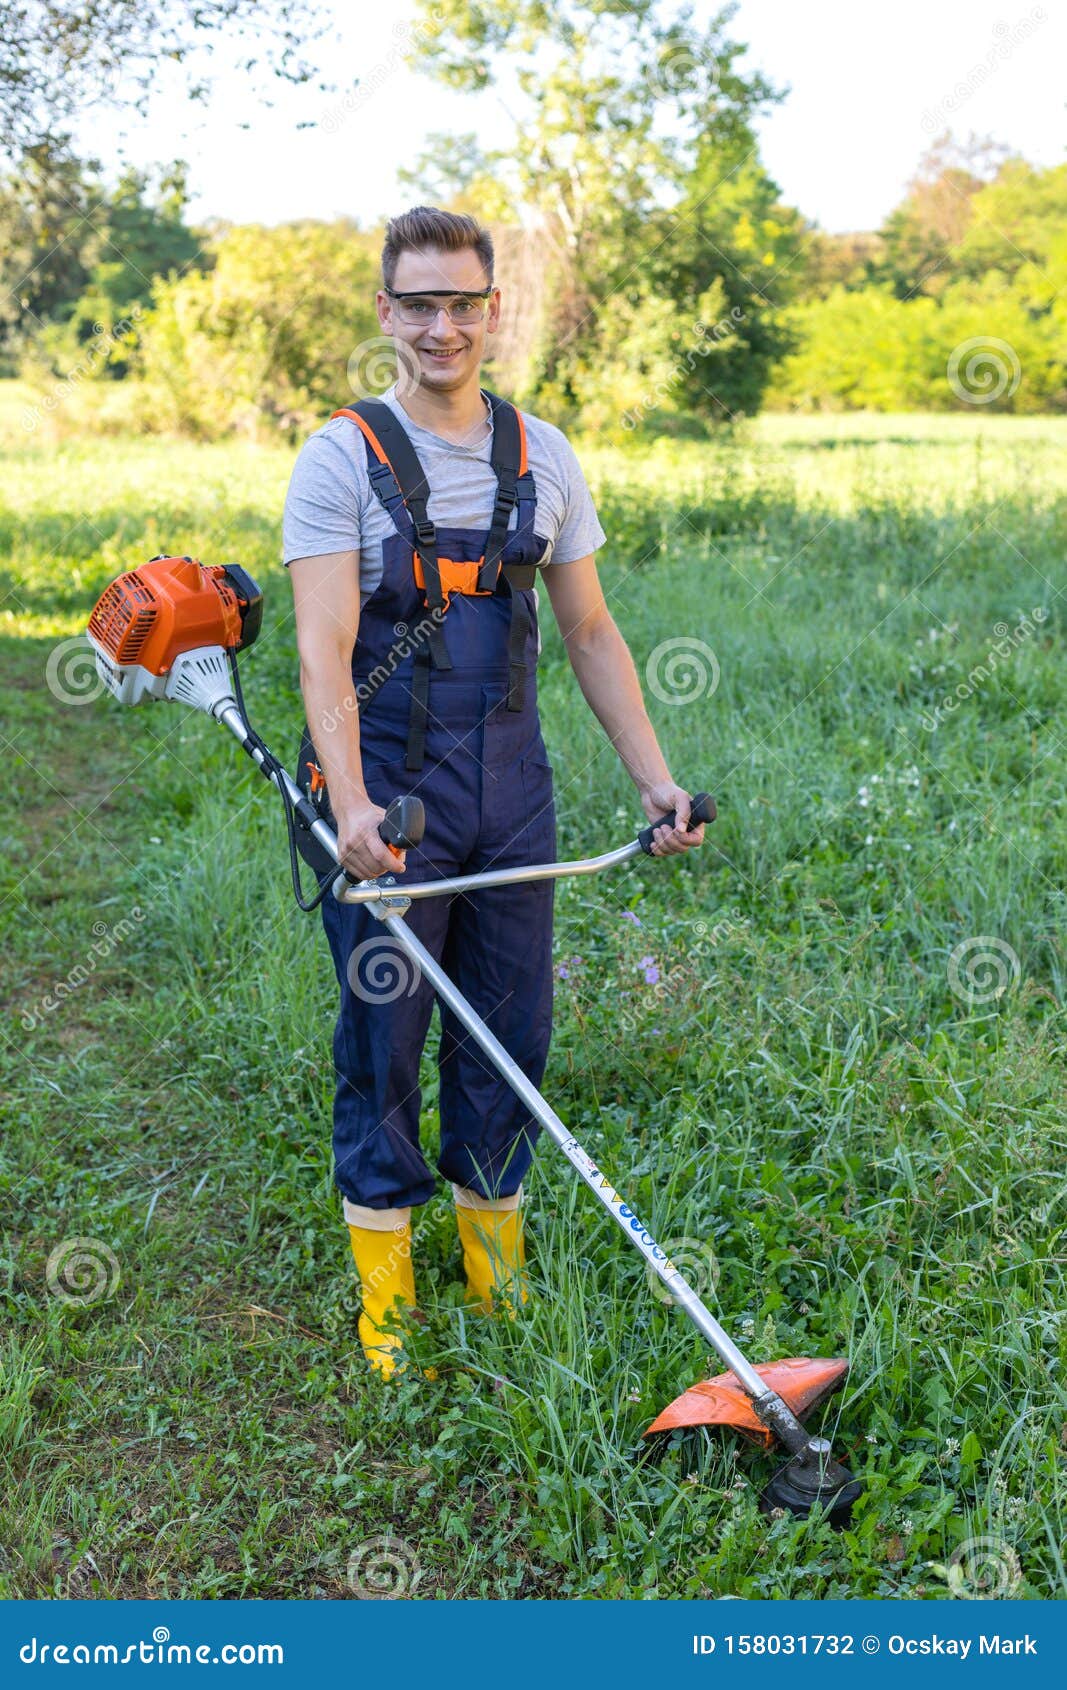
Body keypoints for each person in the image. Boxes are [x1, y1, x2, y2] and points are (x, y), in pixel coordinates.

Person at [283, 205, 704, 1376]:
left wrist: (655, 783)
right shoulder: (340, 460)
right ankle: (387, 1303)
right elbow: (322, 652)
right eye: (417, 302)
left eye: (461, 301)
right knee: (386, 1038)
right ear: (385, 311)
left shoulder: (543, 455)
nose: (441, 325)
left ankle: (494, 1278)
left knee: (509, 1035)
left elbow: (591, 631)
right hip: (391, 802)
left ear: (491, 309)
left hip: (512, 792)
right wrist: (353, 806)